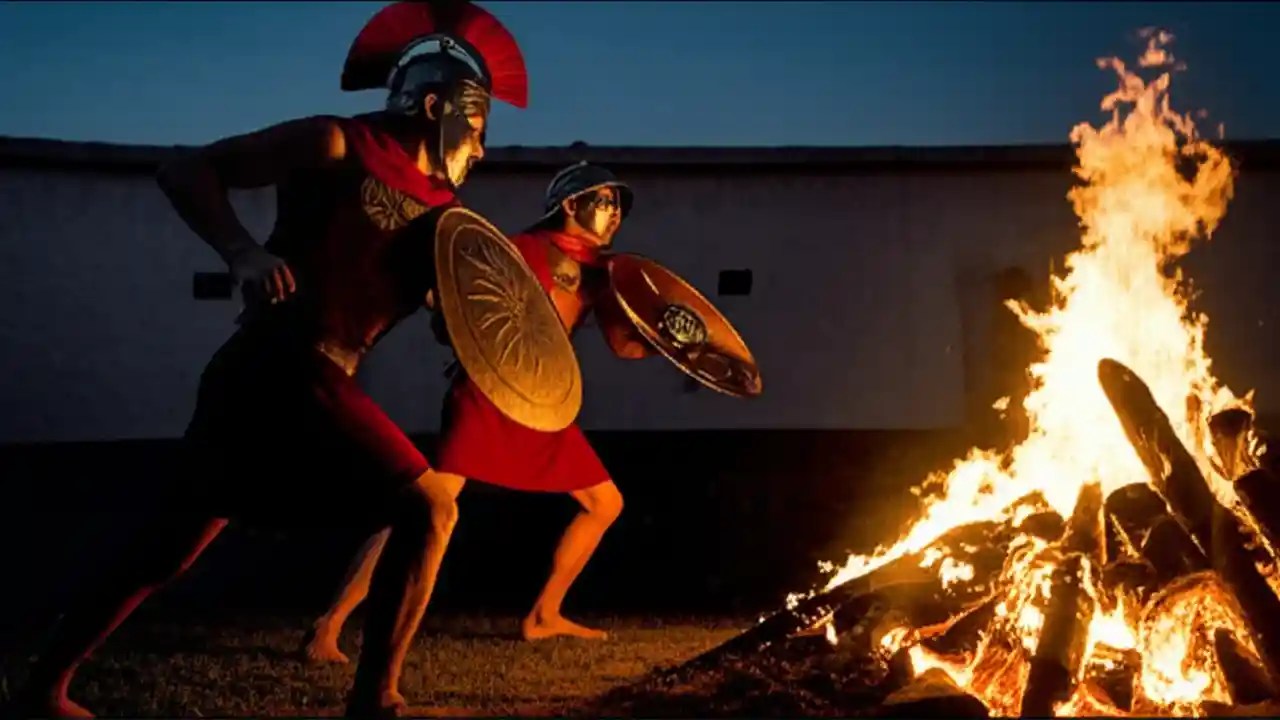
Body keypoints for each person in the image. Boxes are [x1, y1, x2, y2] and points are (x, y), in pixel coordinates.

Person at [4, 2, 528, 717]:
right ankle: (376, 700)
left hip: (319, 381)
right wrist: (241, 251)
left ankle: (41, 689)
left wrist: (470, 345)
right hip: (276, 366)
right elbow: (188, 169)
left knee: (171, 546)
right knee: (426, 504)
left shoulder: (446, 217)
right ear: (435, 105)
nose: (483, 148)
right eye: (477, 125)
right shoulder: (337, 143)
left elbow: (440, 313)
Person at [303, 162, 653, 663]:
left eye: (619, 205)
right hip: (491, 391)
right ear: (571, 205)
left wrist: (664, 334)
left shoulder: (602, 270)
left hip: (543, 403)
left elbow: (624, 346)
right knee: (429, 508)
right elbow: (463, 311)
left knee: (605, 503)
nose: (615, 214)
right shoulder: (525, 249)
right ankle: (328, 624)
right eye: (604, 201)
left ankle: (543, 616)